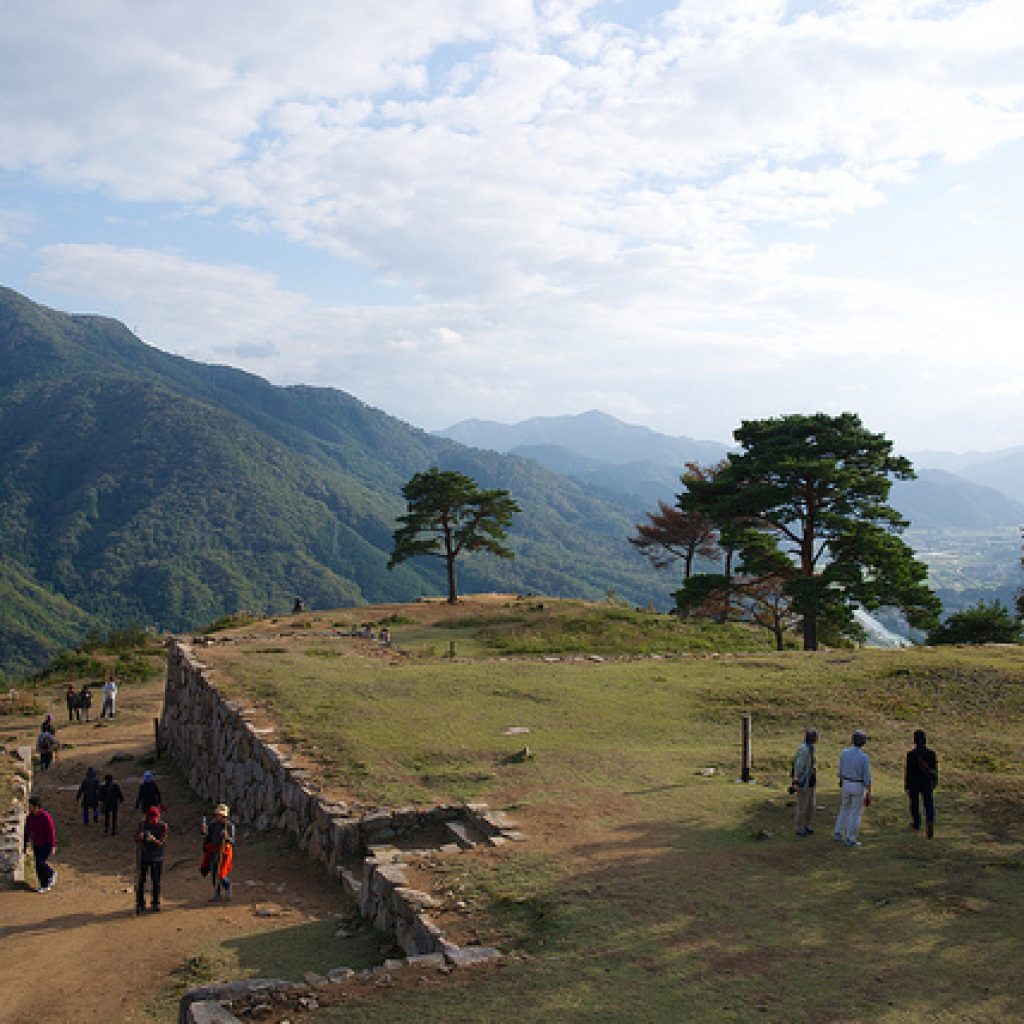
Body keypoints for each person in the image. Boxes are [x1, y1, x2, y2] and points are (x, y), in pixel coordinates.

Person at [834, 730, 872, 847]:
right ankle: (851, 837)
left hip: (846, 782)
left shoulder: (844, 752)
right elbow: (866, 777)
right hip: (857, 784)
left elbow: (840, 769)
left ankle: (838, 832)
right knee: (855, 812)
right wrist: (869, 790)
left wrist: (841, 779)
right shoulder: (863, 757)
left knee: (844, 808)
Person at [905, 729, 939, 839]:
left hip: (914, 783)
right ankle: (929, 820)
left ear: (914, 741)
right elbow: (934, 770)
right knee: (928, 803)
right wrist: (935, 782)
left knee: (914, 804)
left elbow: (908, 771)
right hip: (927, 782)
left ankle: (916, 823)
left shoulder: (911, 755)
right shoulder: (931, 754)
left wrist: (907, 785)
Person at [135, 805, 168, 913]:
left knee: (156, 881)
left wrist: (154, 840)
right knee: (141, 881)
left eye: (155, 818)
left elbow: (162, 843)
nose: (153, 820)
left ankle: (155, 903)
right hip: (144, 855)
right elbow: (136, 838)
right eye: (151, 818)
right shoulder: (142, 825)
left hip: (157, 857)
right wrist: (140, 837)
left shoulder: (162, 826)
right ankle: (140, 903)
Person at [200, 803, 235, 900]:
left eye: (222, 815)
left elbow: (233, 841)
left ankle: (227, 887)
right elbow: (208, 837)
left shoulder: (229, 826)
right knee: (214, 873)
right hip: (213, 851)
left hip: (224, 852)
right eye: (219, 815)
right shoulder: (212, 825)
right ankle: (217, 893)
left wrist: (227, 837)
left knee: (221, 874)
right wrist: (204, 832)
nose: (220, 817)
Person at [23, 795, 57, 892]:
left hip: (46, 844)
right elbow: (27, 832)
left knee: (41, 863)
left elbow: (51, 831)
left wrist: (53, 845)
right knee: (37, 866)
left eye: (30, 805)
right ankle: (44, 885)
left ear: (36, 806)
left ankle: (51, 873)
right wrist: (25, 845)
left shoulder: (46, 817)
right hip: (37, 844)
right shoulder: (30, 818)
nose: (29, 807)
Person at [791, 727, 818, 837]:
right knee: (802, 805)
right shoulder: (804, 749)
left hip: (810, 780)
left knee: (810, 805)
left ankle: (807, 825)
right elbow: (799, 766)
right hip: (803, 781)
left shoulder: (811, 748)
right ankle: (799, 827)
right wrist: (796, 780)